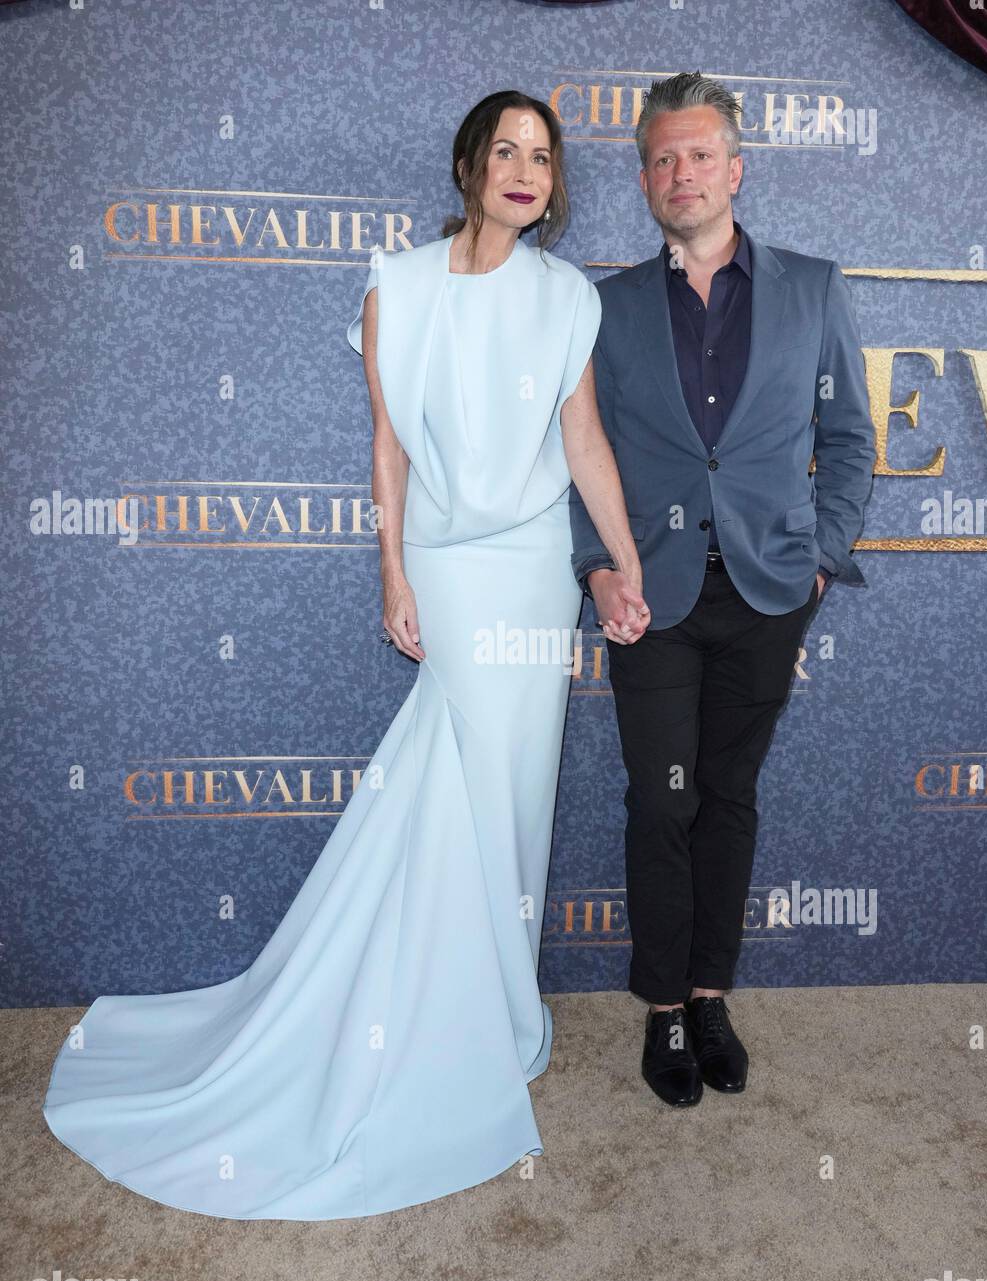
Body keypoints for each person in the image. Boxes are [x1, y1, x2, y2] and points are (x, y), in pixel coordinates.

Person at [42, 91, 649, 1219]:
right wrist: (393, 575)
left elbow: (582, 439)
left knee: (515, 800)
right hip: (450, 573)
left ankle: (506, 1016)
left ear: (556, 184)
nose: (526, 170)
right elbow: (385, 445)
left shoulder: (568, 298)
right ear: (469, 165)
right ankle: (443, 1027)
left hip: (527, 571)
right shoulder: (398, 285)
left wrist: (622, 560)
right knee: (454, 790)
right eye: (506, 150)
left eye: (544, 156)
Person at [569, 72, 875, 1108]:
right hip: (647, 599)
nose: (679, 172)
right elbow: (577, 453)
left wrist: (819, 558)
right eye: (661, 158)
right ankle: (660, 1008)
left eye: (698, 155)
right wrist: (596, 565)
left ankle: (709, 995)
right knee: (662, 803)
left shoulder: (812, 288)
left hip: (767, 590)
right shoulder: (603, 308)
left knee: (728, 798)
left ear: (734, 171)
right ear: (645, 180)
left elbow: (847, 440)